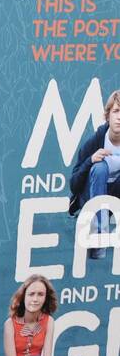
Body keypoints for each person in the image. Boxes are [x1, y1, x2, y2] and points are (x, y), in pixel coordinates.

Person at [68, 89, 120, 259]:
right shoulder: (96, 140)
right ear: (108, 116)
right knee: (100, 168)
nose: (119, 117)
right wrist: (90, 160)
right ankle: (99, 239)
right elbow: (74, 184)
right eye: (116, 111)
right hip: (89, 197)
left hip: (114, 200)